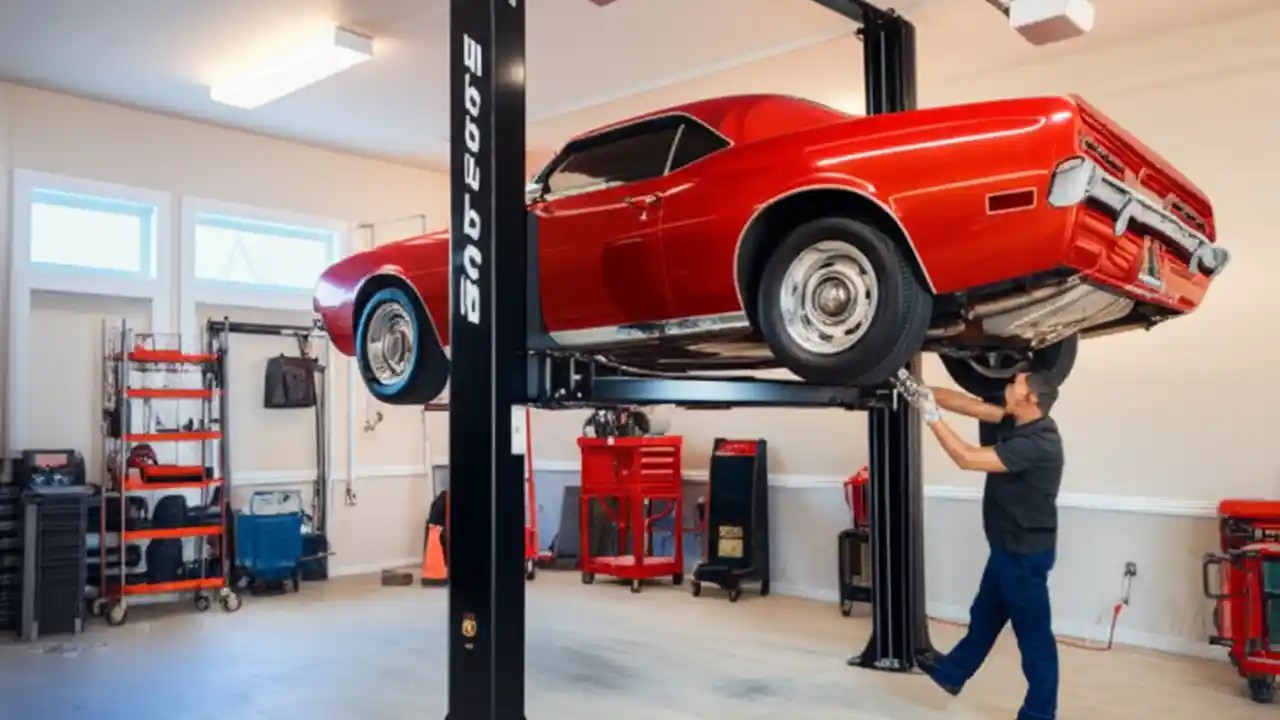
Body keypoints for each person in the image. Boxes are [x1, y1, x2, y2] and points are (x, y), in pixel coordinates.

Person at [893, 369, 1064, 720]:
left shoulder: (1038, 442)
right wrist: (919, 390)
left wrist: (931, 416)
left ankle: (1040, 713)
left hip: (1024, 554)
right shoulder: (1014, 418)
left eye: (1019, 381)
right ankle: (952, 673)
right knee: (984, 618)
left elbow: (968, 458)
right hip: (1006, 547)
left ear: (1030, 398)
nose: (1013, 377)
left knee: (1034, 640)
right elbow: (968, 405)